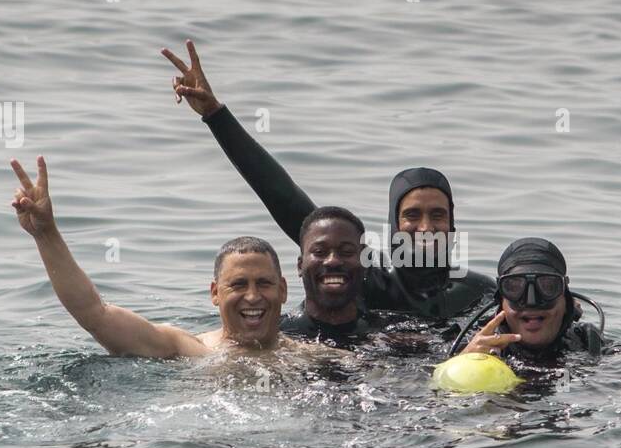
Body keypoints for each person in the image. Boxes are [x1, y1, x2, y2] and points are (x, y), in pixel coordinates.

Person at [161, 40, 495, 320]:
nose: (425, 227)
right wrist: (215, 115)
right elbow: (283, 197)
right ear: (394, 223)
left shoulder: (481, 294)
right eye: (412, 215)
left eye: (437, 215)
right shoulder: (363, 276)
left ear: (452, 226)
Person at [9, 156, 294, 357]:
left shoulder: (316, 359)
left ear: (282, 290)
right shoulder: (189, 350)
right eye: (239, 284)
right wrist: (46, 234)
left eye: (264, 284)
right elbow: (94, 314)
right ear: (215, 292)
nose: (253, 296)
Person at [456, 238, 605, 362]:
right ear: (501, 302)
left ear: (566, 301)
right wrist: (462, 362)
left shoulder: (587, 343)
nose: (531, 302)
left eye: (548, 287)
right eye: (514, 288)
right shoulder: (471, 346)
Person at [280, 205, 372, 344]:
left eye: (346, 252)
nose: (332, 261)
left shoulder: (390, 334)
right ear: (300, 265)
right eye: (319, 252)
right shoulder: (278, 335)